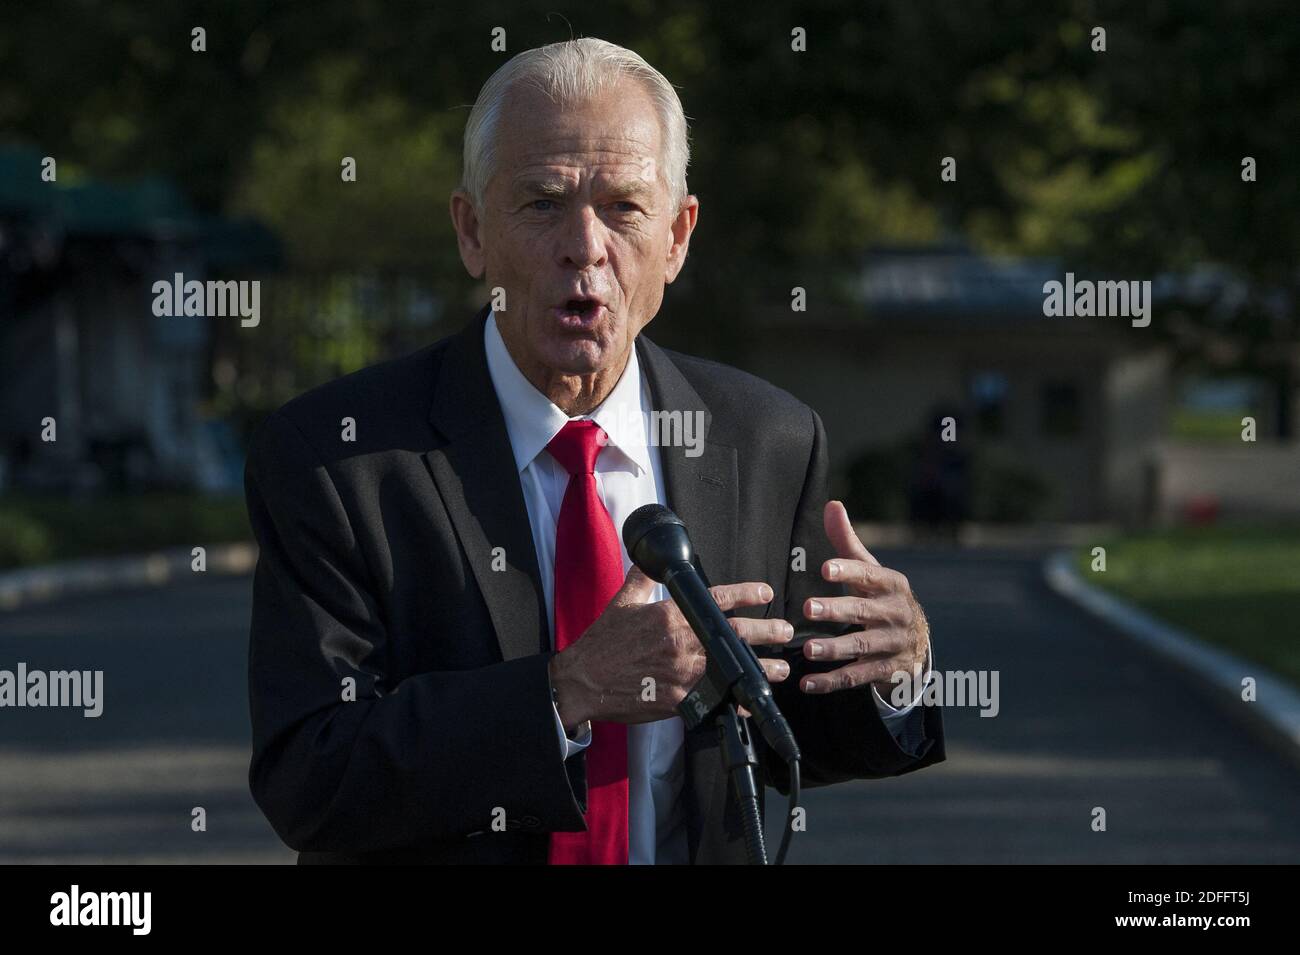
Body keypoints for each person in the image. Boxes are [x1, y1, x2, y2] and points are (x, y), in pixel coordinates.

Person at [245, 37, 944, 865]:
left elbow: (786, 736)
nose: (585, 245)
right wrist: (565, 690)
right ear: (471, 232)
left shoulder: (767, 439)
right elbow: (312, 777)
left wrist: (897, 671)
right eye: (542, 202)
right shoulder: (339, 459)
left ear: (678, 238)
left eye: (623, 207)